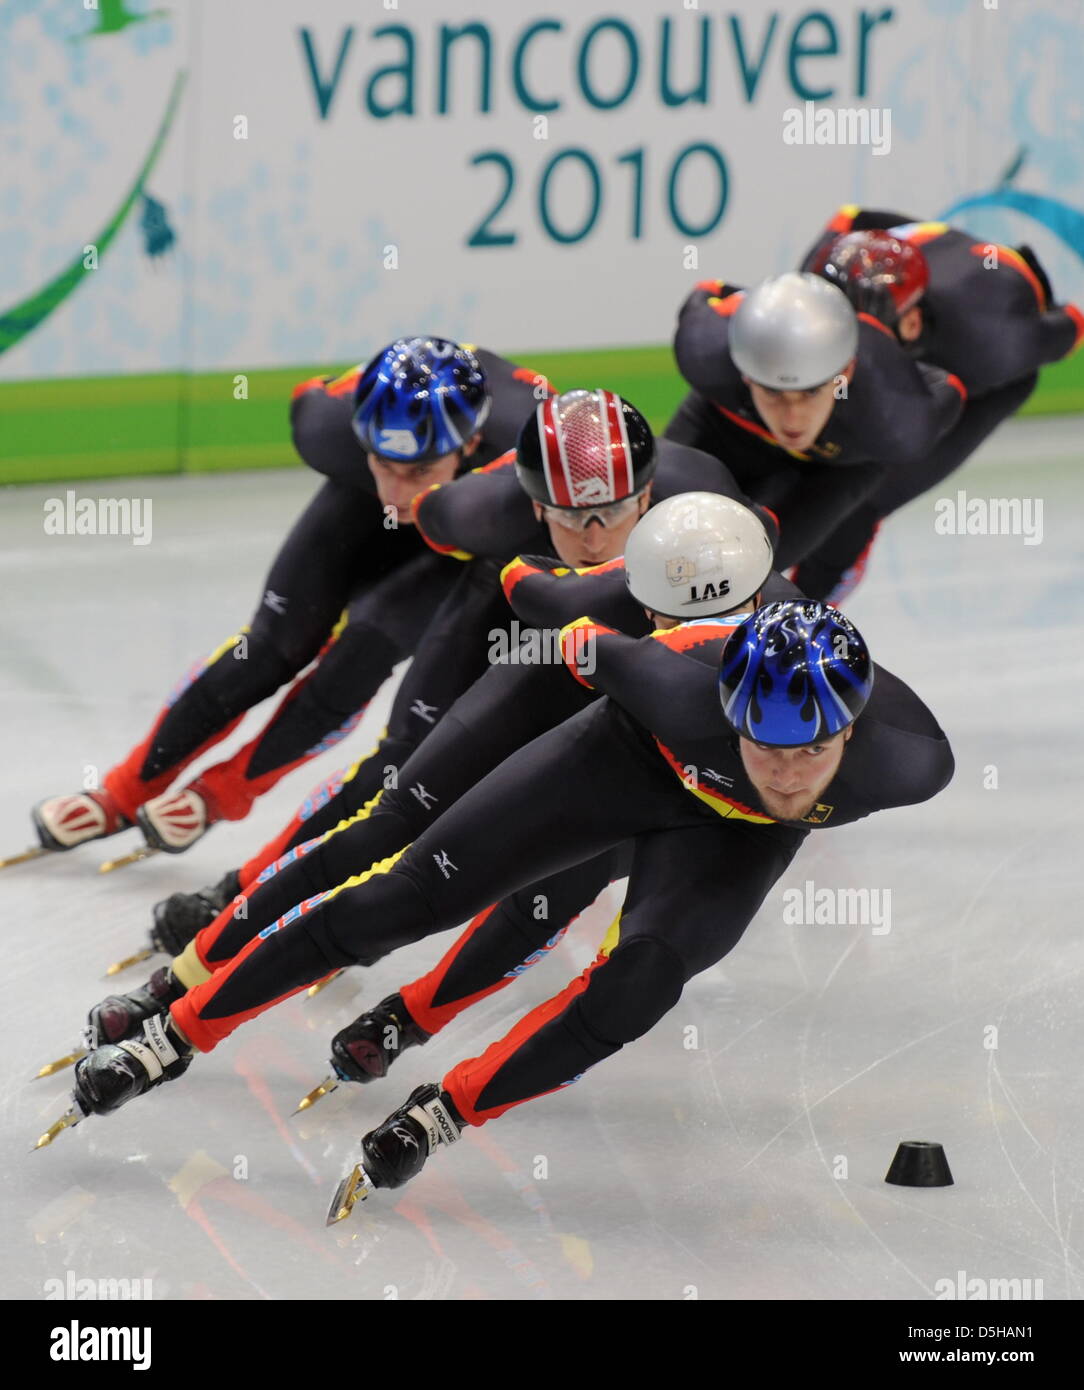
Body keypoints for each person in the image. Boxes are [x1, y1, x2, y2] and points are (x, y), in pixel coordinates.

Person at [64, 596, 953, 1219]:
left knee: (641, 983)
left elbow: (788, 782)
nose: (788, 774)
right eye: (767, 746)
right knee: (404, 899)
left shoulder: (911, 762)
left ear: (856, 730)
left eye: (816, 752)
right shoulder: (672, 684)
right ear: (731, 712)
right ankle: (173, 1036)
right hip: (628, 762)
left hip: (732, 840)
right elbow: (565, 640)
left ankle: (448, 1109)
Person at [145, 390, 782, 955]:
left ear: (648, 495)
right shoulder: (474, 511)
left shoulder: (700, 500)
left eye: (614, 514)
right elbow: (421, 522)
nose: (592, 539)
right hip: (506, 610)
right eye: (567, 517)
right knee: (394, 770)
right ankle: (241, 892)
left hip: (639, 615)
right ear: (534, 506)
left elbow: (766, 559)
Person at [32, 338, 549, 856]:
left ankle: (220, 795)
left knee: (362, 651)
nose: (397, 494)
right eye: (384, 465)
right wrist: (404, 477)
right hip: (360, 495)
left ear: (468, 444)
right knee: (268, 645)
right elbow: (353, 442)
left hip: (468, 534)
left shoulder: (524, 453)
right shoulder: (324, 425)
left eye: (417, 473)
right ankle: (120, 792)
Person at [792, 208, 1084, 598]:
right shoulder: (819, 273)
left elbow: (1073, 325)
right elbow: (850, 216)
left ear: (910, 325)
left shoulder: (999, 346)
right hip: (944, 255)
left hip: (992, 350)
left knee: (864, 495)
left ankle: (812, 604)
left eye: (863, 342)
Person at [666, 270, 966, 589]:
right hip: (728, 426)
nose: (793, 419)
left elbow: (949, 387)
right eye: (773, 392)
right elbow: (712, 289)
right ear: (745, 374)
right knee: (653, 522)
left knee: (750, 573)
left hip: (839, 464)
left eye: (811, 392)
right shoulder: (703, 351)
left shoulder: (896, 421)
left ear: (845, 374)